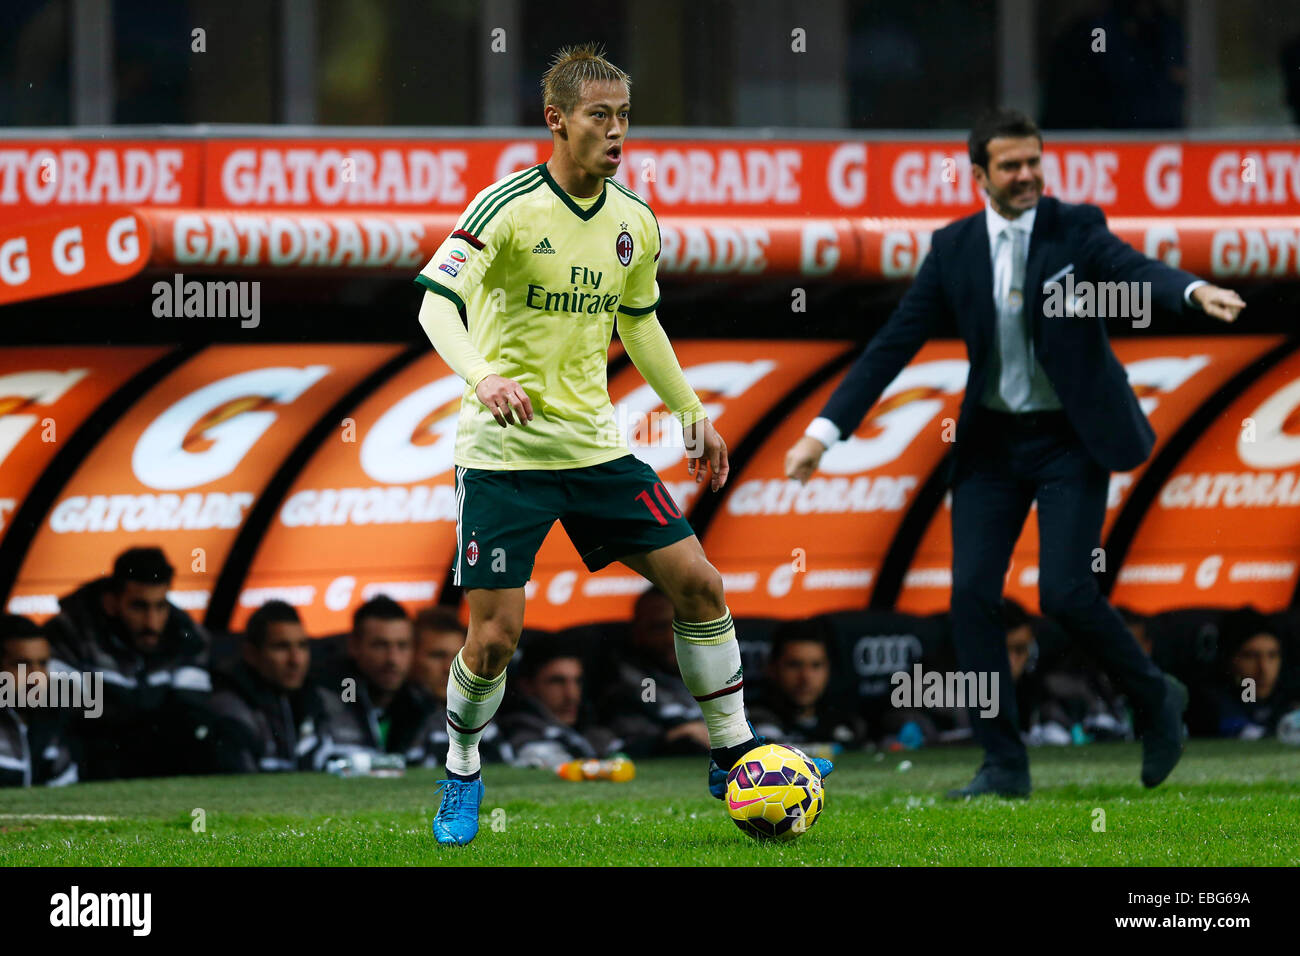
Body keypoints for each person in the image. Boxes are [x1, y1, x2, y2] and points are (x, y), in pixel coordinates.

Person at [413, 43, 830, 845]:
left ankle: (734, 754)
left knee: (700, 584)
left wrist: (687, 411)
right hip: (505, 458)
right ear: (557, 120)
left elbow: (638, 320)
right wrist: (483, 380)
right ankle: (463, 765)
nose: (616, 132)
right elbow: (435, 307)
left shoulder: (634, 221)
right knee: (494, 642)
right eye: (599, 117)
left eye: (624, 117)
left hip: (599, 451)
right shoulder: (505, 208)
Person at [784, 108, 1246, 799]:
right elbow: (893, 343)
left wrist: (1189, 289)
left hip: (1070, 439)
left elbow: (1130, 267)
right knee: (971, 596)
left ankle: (1156, 698)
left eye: (1034, 161)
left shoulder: (1075, 226)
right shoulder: (954, 248)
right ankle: (1003, 764)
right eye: (1011, 165)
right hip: (994, 445)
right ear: (980, 176)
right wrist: (822, 434)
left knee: (1064, 591)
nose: (1028, 175)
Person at [43, 547, 213, 780]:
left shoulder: (186, 636)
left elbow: (190, 714)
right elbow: (67, 713)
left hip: (160, 759)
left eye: (160, 606)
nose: (151, 622)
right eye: (139, 606)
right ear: (111, 602)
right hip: (91, 763)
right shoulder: (68, 633)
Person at [313, 596, 441, 767]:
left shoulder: (423, 704)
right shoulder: (328, 699)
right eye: (380, 645)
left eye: (402, 646)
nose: (392, 659)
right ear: (354, 646)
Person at [208, 601, 329, 773]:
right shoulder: (230, 708)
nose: (295, 660)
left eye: (302, 646)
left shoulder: (316, 700)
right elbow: (239, 784)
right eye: (281, 647)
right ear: (251, 654)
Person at [599, 587, 715, 757]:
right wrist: (676, 736)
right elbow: (635, 741)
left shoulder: (713, 670)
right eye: (660, 627)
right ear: (637, 632)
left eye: (681, 624)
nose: (671, 637)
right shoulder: (637, 683)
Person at [410, 607, 512, 768]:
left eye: (458, 658)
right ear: (411, 656)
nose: (449, 668)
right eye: (437, 656)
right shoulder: (397, 714)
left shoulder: (482, 714)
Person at [499, 641, 621, 768]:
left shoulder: (593, 730)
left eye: (578, 681)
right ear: (527, 685)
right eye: (557, 682)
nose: (571, 695)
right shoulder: (519, 733)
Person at [748, 619, 866, 750]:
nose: (806, 677)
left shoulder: (848, 724)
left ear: (829, 669)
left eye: (816, 665)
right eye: (794, 665)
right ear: (772, 668)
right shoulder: (753, 725)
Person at [1188, 608, 1297, 739]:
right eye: (1250, 656)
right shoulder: (1212, 703)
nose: (1264, 669)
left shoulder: (1287, 694)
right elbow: (1240, 730)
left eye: (1272, 655)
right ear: (1230, 660)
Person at [0, 614, 79, 787]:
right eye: (22, 665)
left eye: (42, 664)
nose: (36, 678)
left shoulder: (53, 716)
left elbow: (65, 787)